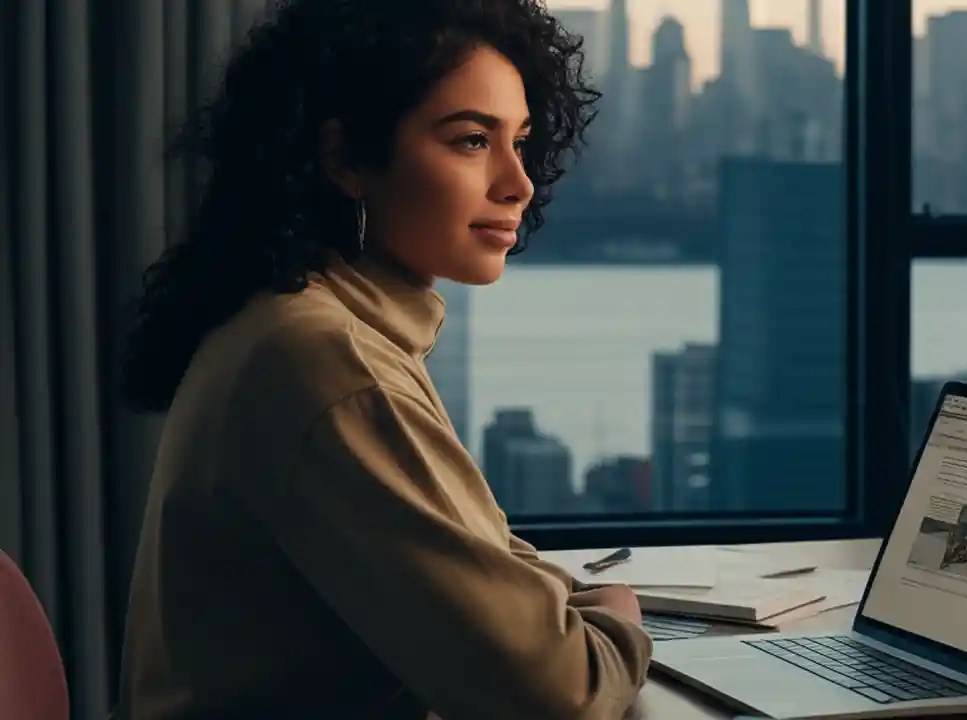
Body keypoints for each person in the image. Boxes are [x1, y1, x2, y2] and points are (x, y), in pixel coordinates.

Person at [114, 1, 651, 717]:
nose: (517, 182)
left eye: (520, 141)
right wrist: (618, 618)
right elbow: (560, 693)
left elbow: (483, 561)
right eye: (470, 141)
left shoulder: (303, 322)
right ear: (345, 158)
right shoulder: (324, 360)